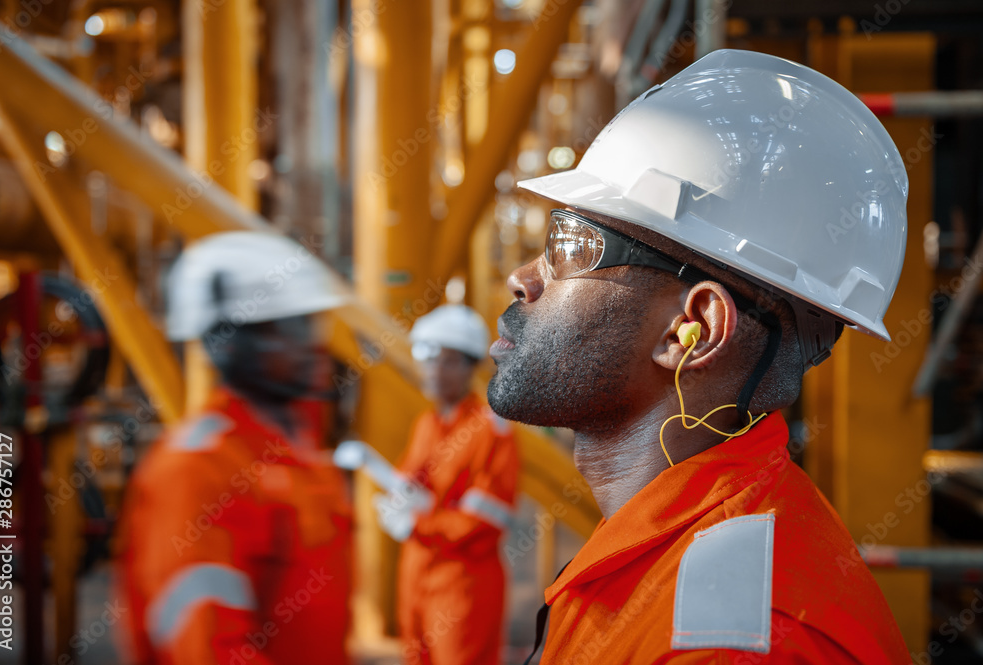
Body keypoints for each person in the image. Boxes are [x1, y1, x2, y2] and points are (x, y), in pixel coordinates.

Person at [487, 49, 911, 663]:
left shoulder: (727, 641)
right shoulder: (666, 541)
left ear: (695, 328)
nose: (524, 279)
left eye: (572, 246)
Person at [116, 231, 353, 665]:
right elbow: (206, 647)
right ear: (228, 343)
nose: (309, 346)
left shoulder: (298, 450)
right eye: (287, 330)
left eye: (308, 325)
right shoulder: (196, 469)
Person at [387, 304, 520, 665]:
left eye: (444, 361)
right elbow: (408, 482)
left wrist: (419, 523)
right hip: (417, 573)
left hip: (463, 582)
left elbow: (485, 520)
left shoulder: (492, 431)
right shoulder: (426, 424)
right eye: (427, 359)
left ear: (468, 366)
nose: (432, 370)